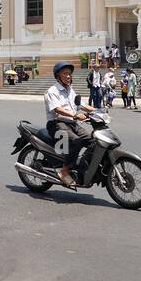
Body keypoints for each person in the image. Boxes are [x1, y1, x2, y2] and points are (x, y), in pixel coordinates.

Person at [44, 61, 95, 189]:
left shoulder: (69, 90)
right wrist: (75, 115)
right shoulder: (52, 91)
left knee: (93, 141)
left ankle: (81, 165)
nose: (68, 76)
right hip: (57, 124)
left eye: (69, 74)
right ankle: (65, 170)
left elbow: (80, 104)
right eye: (65, 74)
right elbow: (57, 109)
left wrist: (97, 110)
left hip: (71, 123)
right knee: (76, 141)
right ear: (58, 76)